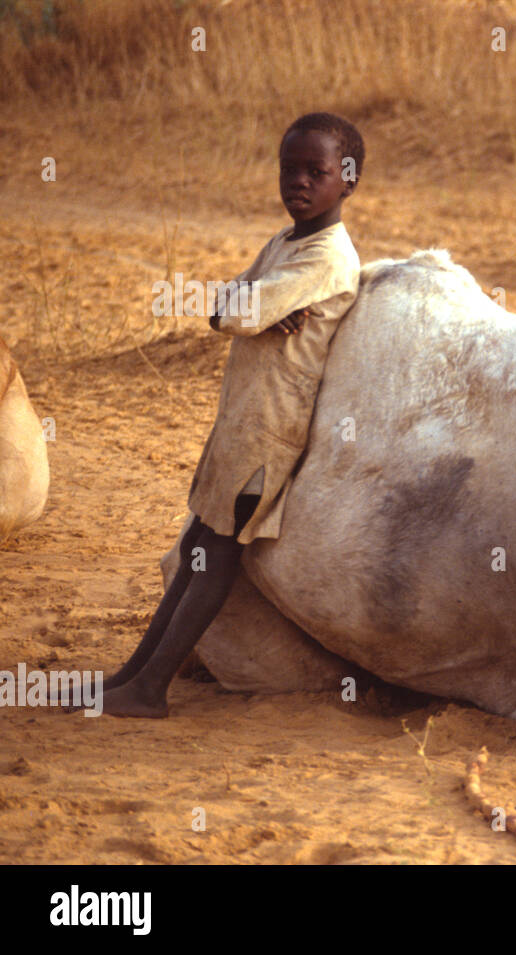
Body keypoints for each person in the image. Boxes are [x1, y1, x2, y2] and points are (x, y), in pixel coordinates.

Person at [99, 112, 364, 717]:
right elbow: (231, 304)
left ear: (346, 181)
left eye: (315, 172)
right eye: (288, 169)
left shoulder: (326, 257)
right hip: (239, 424)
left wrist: (249, 307)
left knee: (216, 557)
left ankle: (148, 689)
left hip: (271, 432)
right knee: (197, 543)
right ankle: (132, 676)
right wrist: (247, 305)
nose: (298, 182)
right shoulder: (284, 244)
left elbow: (238, 312)